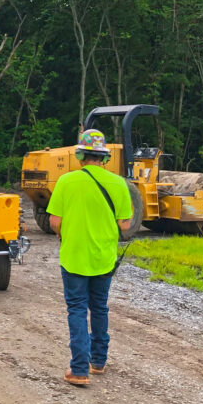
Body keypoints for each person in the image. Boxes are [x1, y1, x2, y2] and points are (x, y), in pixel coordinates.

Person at [46, 129, 132, 387]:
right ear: (104, 158)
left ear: (80, 155)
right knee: (100, 307)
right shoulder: (119, 184)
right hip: (103, 258)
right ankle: (98, 362)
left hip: (73, 257)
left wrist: (66, 232)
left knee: (76, 309)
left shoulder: (66, 181)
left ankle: (79, 369)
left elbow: (54, 222)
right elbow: (125, 225)